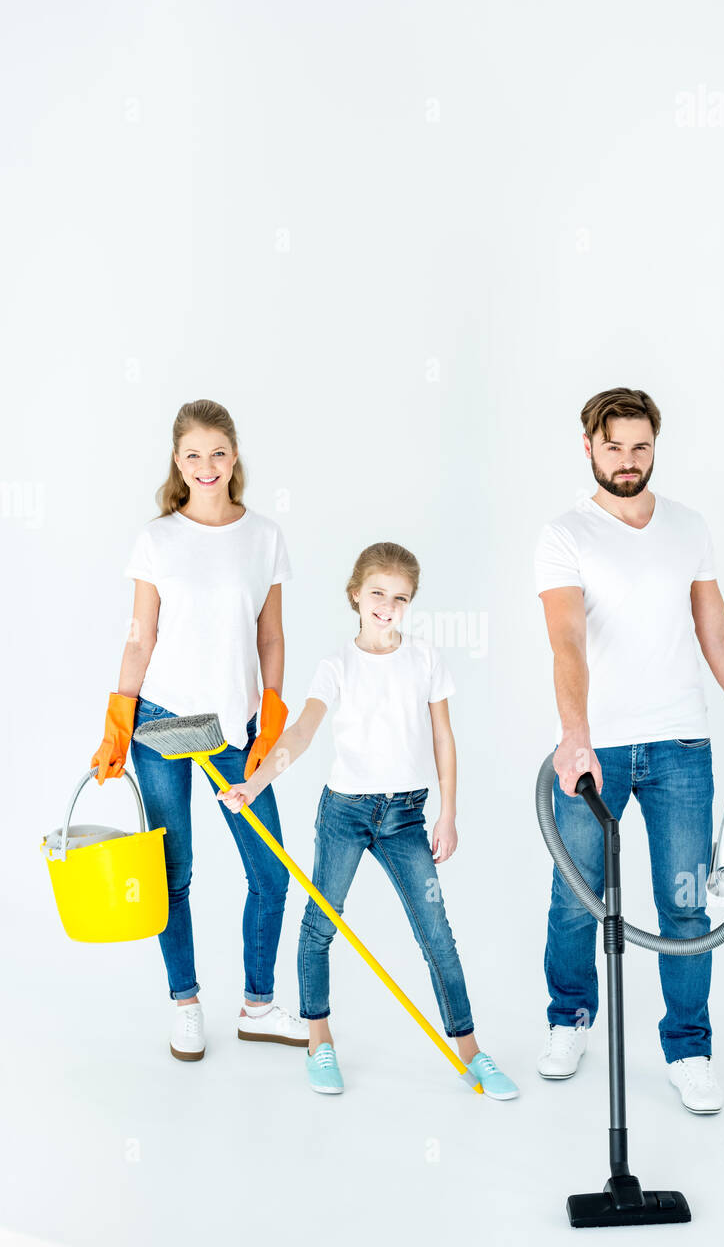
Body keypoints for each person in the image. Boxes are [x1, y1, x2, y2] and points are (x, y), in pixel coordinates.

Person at [534, 386, 724, 1113]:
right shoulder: (564, 535)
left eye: (639, 446)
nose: (627, 460)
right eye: (612, 446)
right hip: (596, 753)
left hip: (681, 744)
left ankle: (688, 1047)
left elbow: (719, 633)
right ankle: (568, 1020)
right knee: (574, 900)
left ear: (655, 447)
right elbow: (566, 641)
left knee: (685, 906)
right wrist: (575, 734)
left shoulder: (688, 527)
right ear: (587, 447)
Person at [217, 541, 519, 1100]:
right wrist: (254, 783)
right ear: (355, 595)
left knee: (438, 936)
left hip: (407, 817)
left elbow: (443, 740)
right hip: (345, 814)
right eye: (377, 593)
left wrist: (449, 815)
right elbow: (302, 732)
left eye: (400, 597)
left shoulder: (426, 659)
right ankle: (318, 1040)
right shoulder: (337, 665)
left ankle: (473, 1052)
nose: (387, 605)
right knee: (319, 927)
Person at [90, 398, 308, 1062]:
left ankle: (258, 1006)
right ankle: (185, 1003)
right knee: (173, 874)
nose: (206, 466)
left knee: (269, 875)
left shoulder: (263, 536)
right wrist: (118, 723)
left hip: (232, 727)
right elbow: (140, 639)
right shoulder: (157, 539)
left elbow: (270, 634)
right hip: (161, 722)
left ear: (234, 456)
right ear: (177, 463)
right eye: (193, 455)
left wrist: (271, 710)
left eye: (218, 453)